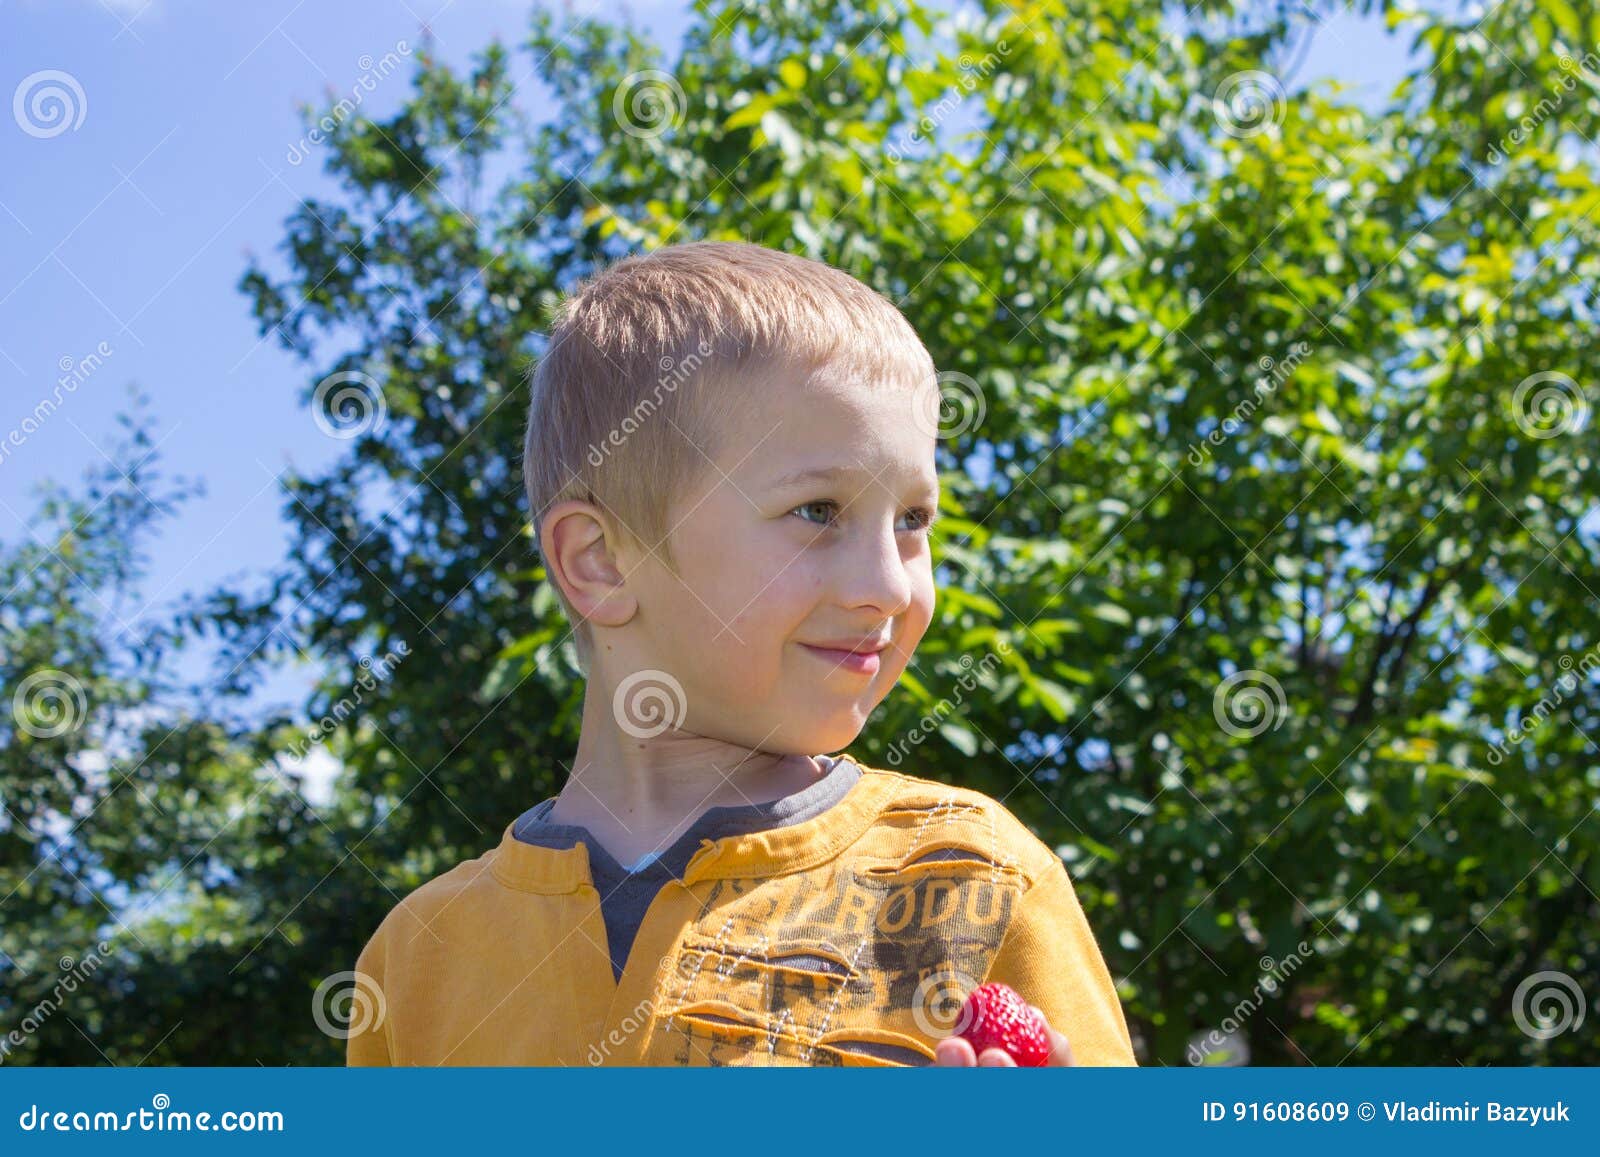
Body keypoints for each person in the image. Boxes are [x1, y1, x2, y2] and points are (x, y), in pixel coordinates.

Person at [345, 241, 1137, 1067]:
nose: (890, 587)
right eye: (818, 510)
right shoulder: (417, 961)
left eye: (912, 521)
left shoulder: (976, 883)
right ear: (599, 561)